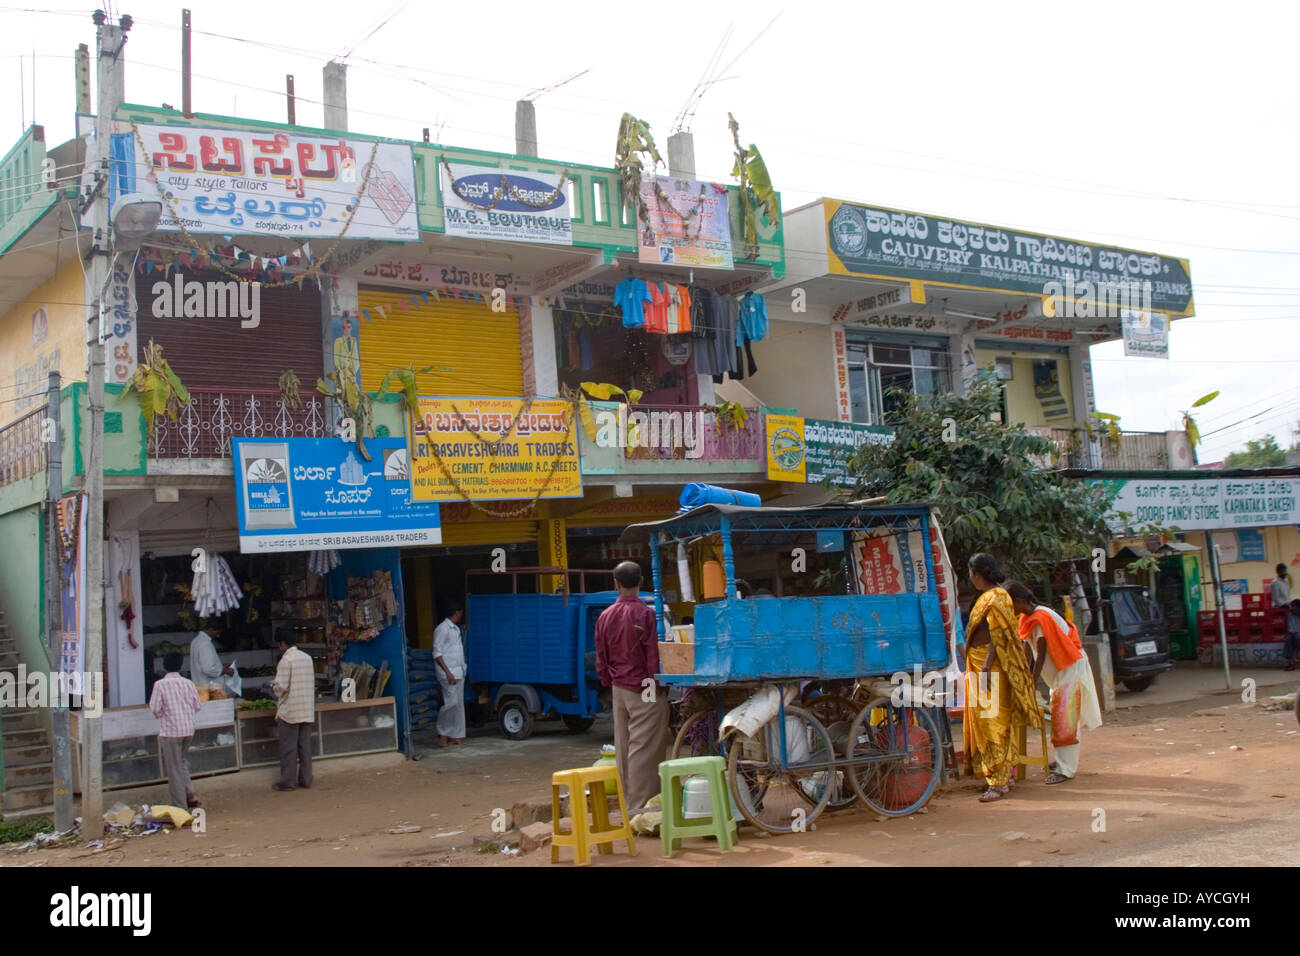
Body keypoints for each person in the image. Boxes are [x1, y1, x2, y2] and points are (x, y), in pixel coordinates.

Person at [960, 553, 1043, 802]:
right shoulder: (993, 596)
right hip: (978, 662)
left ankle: (998, 782)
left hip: (989, 666)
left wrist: (985, 665)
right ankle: (999, 774)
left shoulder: (996, 597)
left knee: (992, 721)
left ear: (976, 574)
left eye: (971, 574)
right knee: (988, 720)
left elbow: (999, 636)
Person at [1004, 580, 1103, 784]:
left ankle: (1065, 769)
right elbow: (1028, 650)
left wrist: (1030, 682)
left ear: (1020, 601)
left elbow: (1039, 654)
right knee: (1062, 718)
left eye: (1010, 604)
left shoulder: (1042, 618)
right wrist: (1022, 674)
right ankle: (1062, 761)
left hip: (1069, 670)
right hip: (1062, 673)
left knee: (1065, 719)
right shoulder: (1028, 618)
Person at [595, 560, 670, 813]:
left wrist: (609, 682)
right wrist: (657, 687)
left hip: (618, 687)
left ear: (615, 584)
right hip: (643, 686)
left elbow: (601, 658)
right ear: (640, 582)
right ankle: (641, 808)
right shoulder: (646, 613)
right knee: (644, 747)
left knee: (624, 746)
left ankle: (630, 803)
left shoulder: (604, 616)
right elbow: (652, 657)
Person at [148, 650, 203, 809]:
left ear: (164, 666)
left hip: (171, 732)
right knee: (181, 762)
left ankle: (181, 808)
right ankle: (190, 794)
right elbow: (197, 706)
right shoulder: (188, 683)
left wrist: (164, 714)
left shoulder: (160, 685)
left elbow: (155, 708)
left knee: (174, 770)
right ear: (180, 665)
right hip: (188, 730)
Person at [270, 630, 315, 791]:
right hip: (306, 708)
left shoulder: (286, 660)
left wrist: (272, 686)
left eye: (279, 644)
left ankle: (287, 782)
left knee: (289, 748)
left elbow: (281, 687)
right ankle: (306, 779)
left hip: (290, 711)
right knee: (305, 747)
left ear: (282, 644)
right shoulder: (307, 658)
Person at [434, 600, 467, 747]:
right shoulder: (442, 629)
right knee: (451, 703)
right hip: (449, 674)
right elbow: (437, 653)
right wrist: (447, 672)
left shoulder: (456, 629)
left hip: (459, 671)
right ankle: (443, 732)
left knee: (459, 705)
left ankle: (456, 734)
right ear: (457, 613)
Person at [188, 629, 234, 697]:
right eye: (217, 632)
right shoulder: (205, 643)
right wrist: (225, 670)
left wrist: (221, 666)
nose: (218, 636)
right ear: (210, 630)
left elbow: (203, 664)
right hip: (210, 690)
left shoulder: (196, 641)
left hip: (201, 687)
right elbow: (209, 669)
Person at [1285, 599, 1300, 672]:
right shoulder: (1290, 615)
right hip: (1295, 635)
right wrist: (1296, 634)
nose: (1291, 608)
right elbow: (1291, 627)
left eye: (1293, 607)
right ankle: (1290, 662)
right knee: (1288, 639)